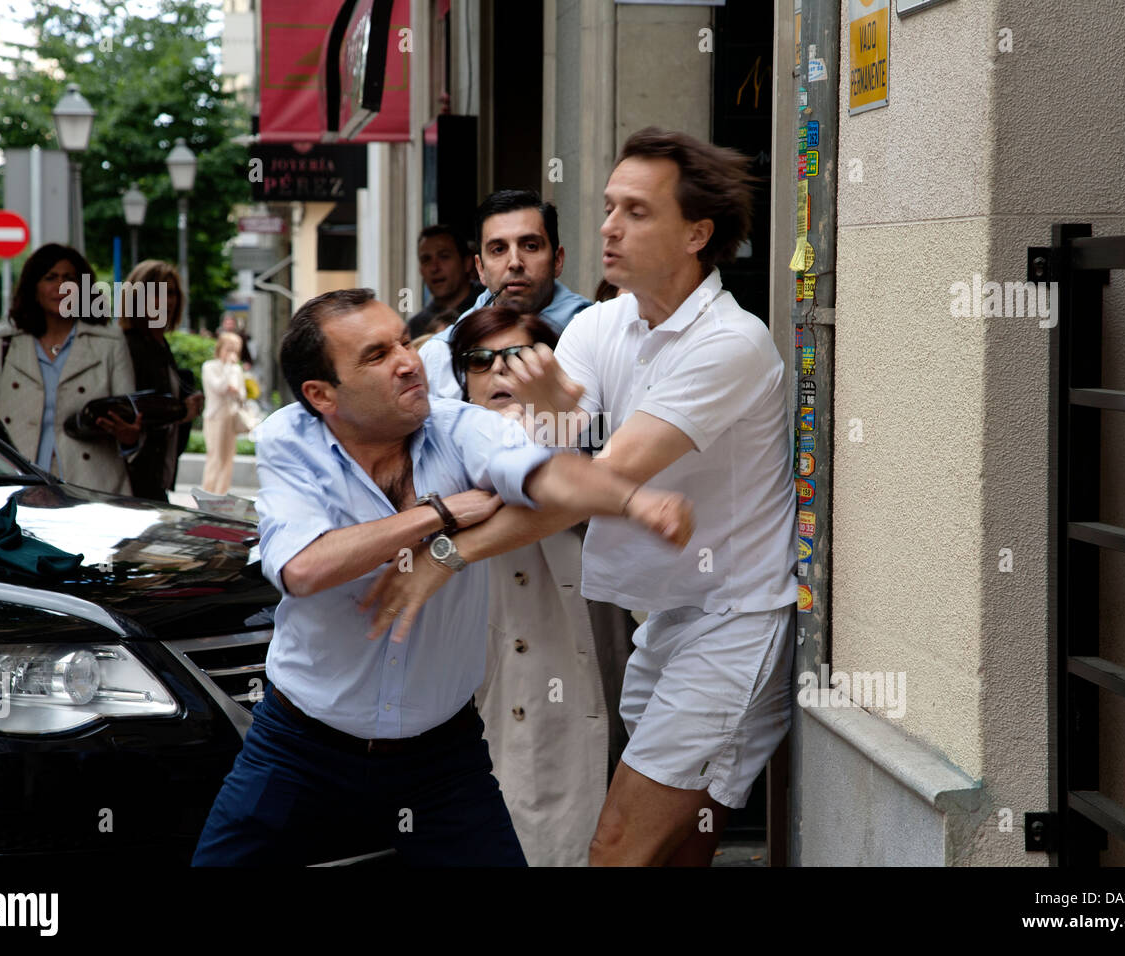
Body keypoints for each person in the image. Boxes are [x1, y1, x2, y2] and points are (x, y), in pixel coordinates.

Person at [370, 127, 798, 866]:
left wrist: (445, 555)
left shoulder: (731, 343)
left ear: (696, 233)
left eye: (636, 210)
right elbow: (546, 459)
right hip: (662, 618)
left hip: (734, 621)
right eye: (607, 207)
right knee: (679, 850)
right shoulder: (603, 324)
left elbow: (597, 485)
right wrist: (547, 414)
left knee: (615, 846)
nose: (609, 226)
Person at [190, 288, 693, 866]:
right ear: (321, 394)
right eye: (377, 355)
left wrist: (632, 500)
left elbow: (547, 476)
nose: (408, 361)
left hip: (440, 759)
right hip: (300, 745)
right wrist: (440, 513)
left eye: (404, 342)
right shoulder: (291, 438)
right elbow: (304, 568)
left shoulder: (461, 427)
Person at [449, 305, 629, 866]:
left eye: (517, 356)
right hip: (484, 686)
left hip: (576, 672)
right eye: (480, 360)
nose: (499, 370)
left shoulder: (594, 440)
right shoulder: (439, 454)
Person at [0, 243, 142, 495]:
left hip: (92, 487)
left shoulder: (110, 343)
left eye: (69, 278)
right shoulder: (6, 344)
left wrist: (129, 437)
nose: (61, 286)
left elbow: (130, 419)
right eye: (50, 278)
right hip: (18, 485)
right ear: (34, 288)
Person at [420, 190, 592, 398]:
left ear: (557, 260)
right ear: (480, 268)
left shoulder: (597, 335)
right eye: (498, 249)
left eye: (530, 246)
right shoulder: (441, 357)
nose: (515, 263)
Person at [120, 260, 204, 502]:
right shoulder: (128, 346)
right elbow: (131, 408)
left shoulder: (160, 344)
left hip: (156, 478)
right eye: (156, 293)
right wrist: (180, 411)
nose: (166, 301)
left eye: (171, 293)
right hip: (133, 482)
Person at [407, 225, 483, 338]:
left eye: (444, 256)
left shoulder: (489, 304)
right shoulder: (415, 327)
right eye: (426, 260)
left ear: (467, 263)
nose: (434, 268)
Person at [200, 331, 245, 494]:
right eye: (229, 348)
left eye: (235, 349)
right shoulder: (209, 367)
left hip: (231, 417)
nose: (232, 353)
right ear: (220, 348)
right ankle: (208, 494)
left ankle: (221, 495)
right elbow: (218, 387)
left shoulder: (237, 369)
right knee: (215, 457)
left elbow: (242, 394)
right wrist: (228, 367)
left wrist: (236, 391)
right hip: (215, 417)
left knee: (228, 459)